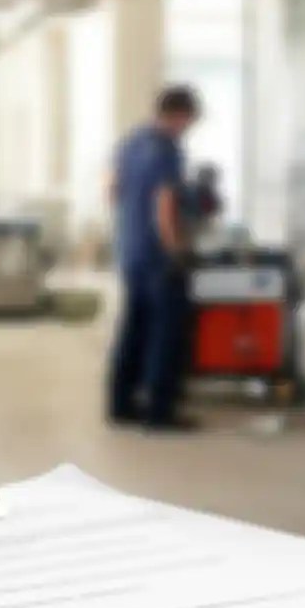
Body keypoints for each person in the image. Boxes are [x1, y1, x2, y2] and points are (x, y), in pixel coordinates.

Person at [107, 86, 202, 431]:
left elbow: (113, 191)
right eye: (189, 122)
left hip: (130, 249)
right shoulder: (167, 150)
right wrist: (175, 249)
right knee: (166, 333)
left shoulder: (129, 143)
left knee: (133, 327)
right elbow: (165, 206)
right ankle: (160, 413)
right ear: (179, 115)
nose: (187, 129)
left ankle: (120, 405)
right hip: (157, 256)